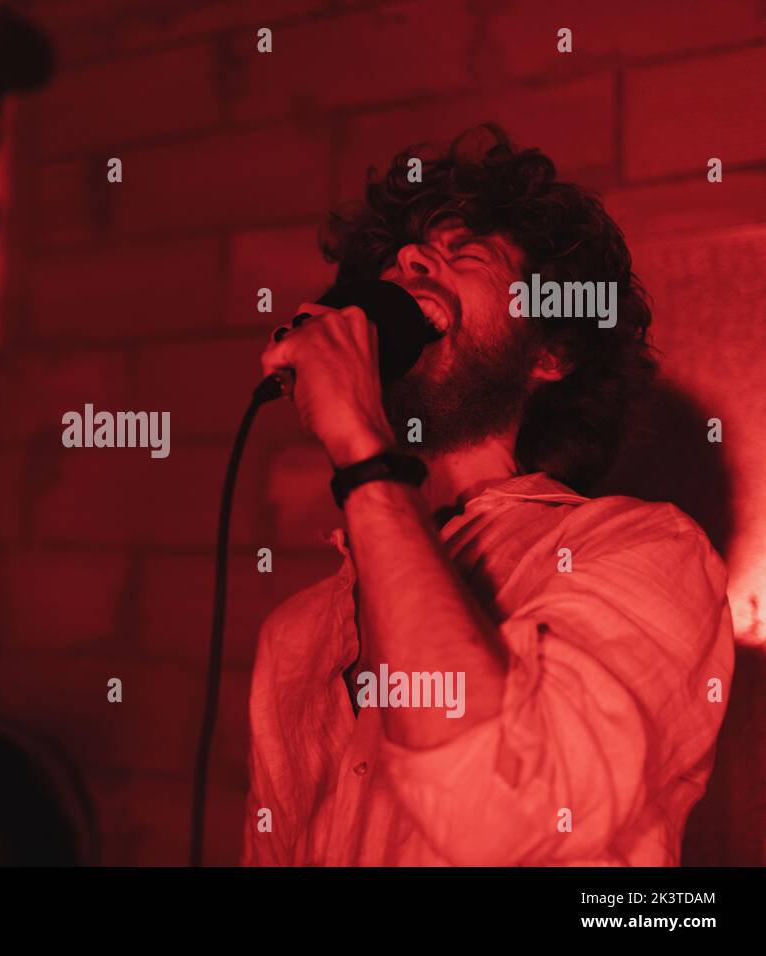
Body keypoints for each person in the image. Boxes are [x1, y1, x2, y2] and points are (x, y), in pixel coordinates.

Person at [243, 125, 735, 866]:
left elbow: (505, 819)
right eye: (403, 257)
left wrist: (365, 457)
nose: (410, 261)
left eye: (464, 251)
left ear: (551, 351)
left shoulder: (647, 552)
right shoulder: (296, 636)